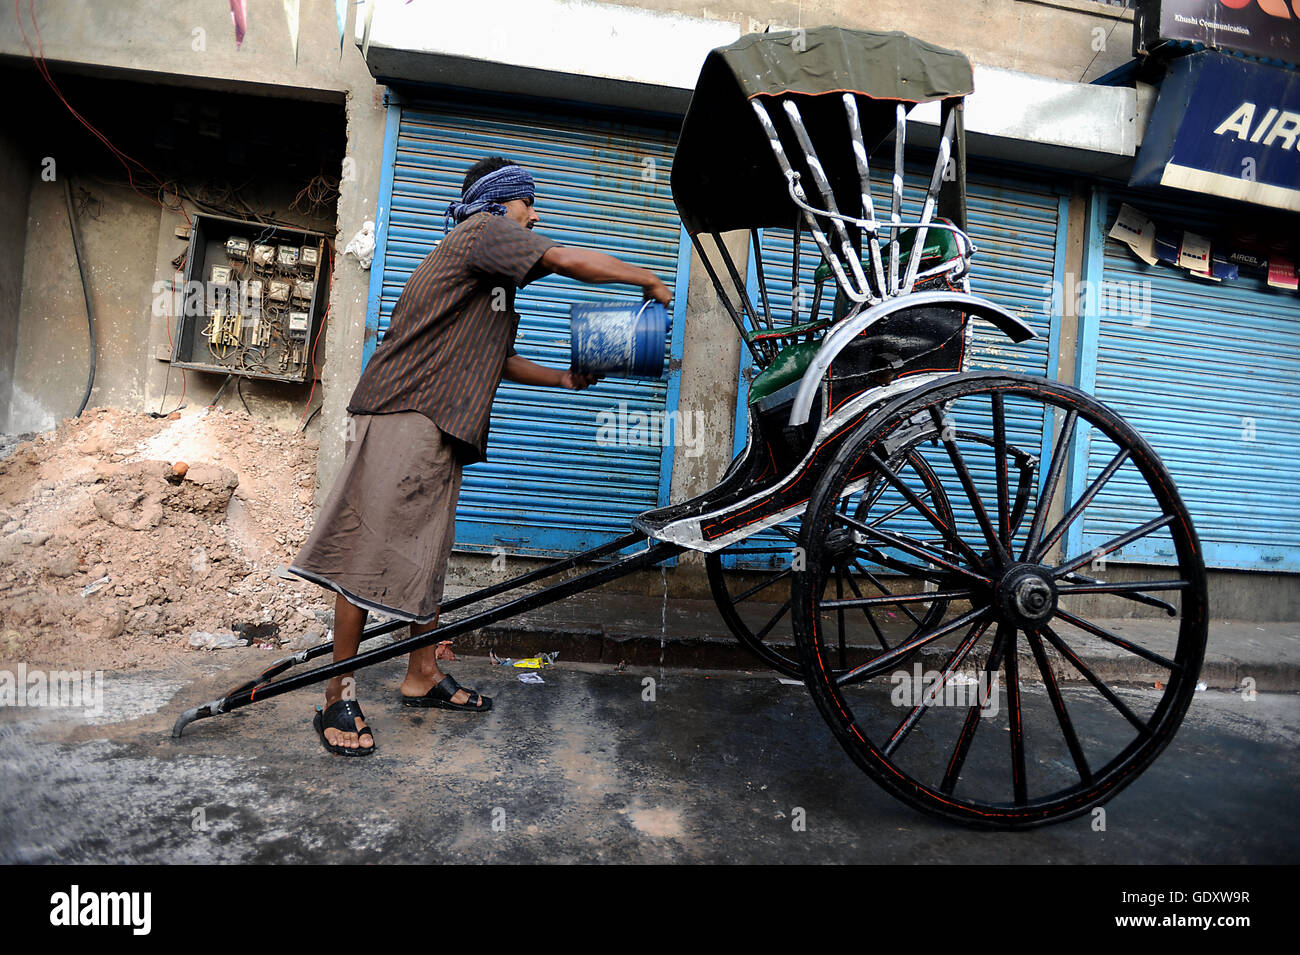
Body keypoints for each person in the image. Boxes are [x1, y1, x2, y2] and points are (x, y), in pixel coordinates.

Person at [290, 155, 672, 755]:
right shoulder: (480, 232)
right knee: (370, 554)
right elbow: (566, 259)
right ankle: (335, 694)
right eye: (528, 204)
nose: (535, 214)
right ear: (499, 205)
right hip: (404, 413)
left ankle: (421, 674)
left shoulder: (483, 280)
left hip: (439, 424)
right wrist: (645, 280)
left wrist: (564, 381)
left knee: (427, 554)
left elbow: (492, 361)